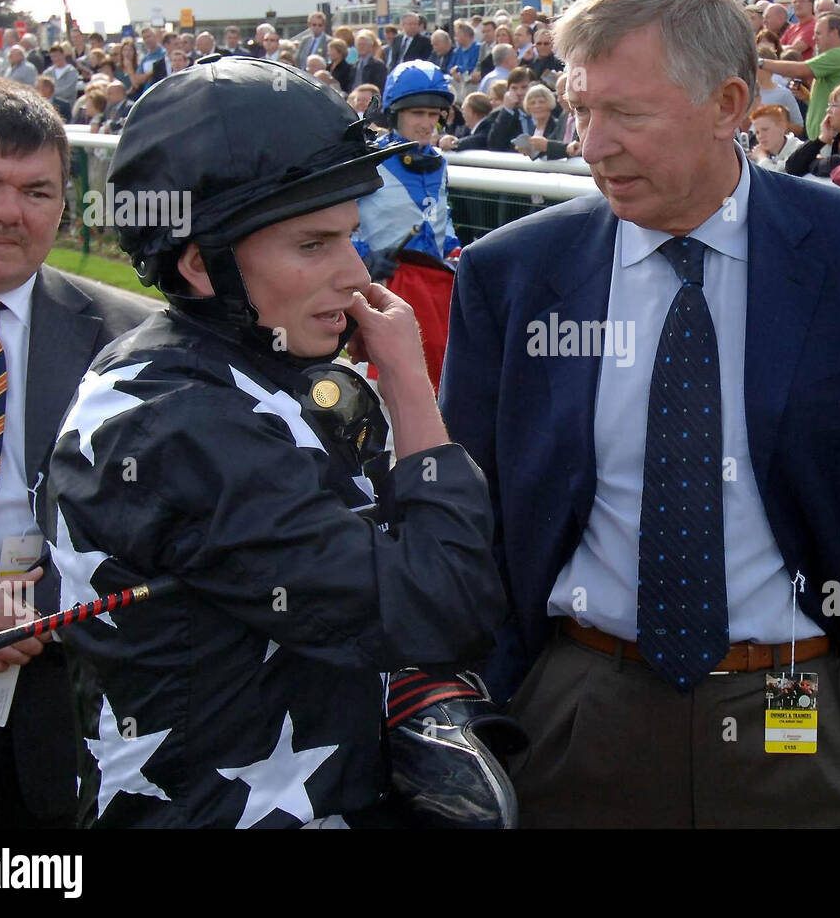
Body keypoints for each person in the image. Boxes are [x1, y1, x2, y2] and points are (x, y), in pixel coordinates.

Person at [438, 0, 840, 830]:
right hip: (575, 722)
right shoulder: (512, 274)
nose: (591, 144)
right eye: (579, 110)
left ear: (730, 106)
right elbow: (473, 520)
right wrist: (510, 695)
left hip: (807, 720)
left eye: (625, 114)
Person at [38, 56, 503, 827]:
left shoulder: (263, 365)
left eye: (352, 237)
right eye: (314, 245)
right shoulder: (173, 423)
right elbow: (443, 605)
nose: (356, 274)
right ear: (199, 264)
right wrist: (414, 389)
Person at [0, 80, 158, 828]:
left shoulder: (134, 341)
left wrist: (31, 611)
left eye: (37, 191)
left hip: (70, 709)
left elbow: (169, 521)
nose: (9, 211)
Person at [353, 59, 460, 387]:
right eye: (418, 114)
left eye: (433, 115)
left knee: (439, 381)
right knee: (388, 389)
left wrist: (456, 250)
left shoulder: (439, 163)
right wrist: (364, 259)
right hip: (384, 291)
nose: (428, 123)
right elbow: (339, 230)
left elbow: (442, 221)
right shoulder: (369, 163)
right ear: (396, 114)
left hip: (433, 292)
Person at [760, 14, 840, 138]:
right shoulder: (837, 56)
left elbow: (799, 69)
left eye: (818, 33)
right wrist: (807, 97)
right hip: (823, 139)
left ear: (834, 33)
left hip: (831, 139)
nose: (814, 38)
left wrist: (760, 62)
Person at [784, 81, 840, 178]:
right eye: (829, 105)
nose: (828, 110)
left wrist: (815, 162)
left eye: (833, 105)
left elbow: (834, 167)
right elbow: (792, 167)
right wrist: (821, 139)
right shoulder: (837, 139)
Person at [747, 103, 801, 170]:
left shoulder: (798, 149)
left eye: (765, 129)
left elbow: (781, 175)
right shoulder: (766, 154)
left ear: (782, 127)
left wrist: (762, 158)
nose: (760, 136)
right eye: (757, 132)